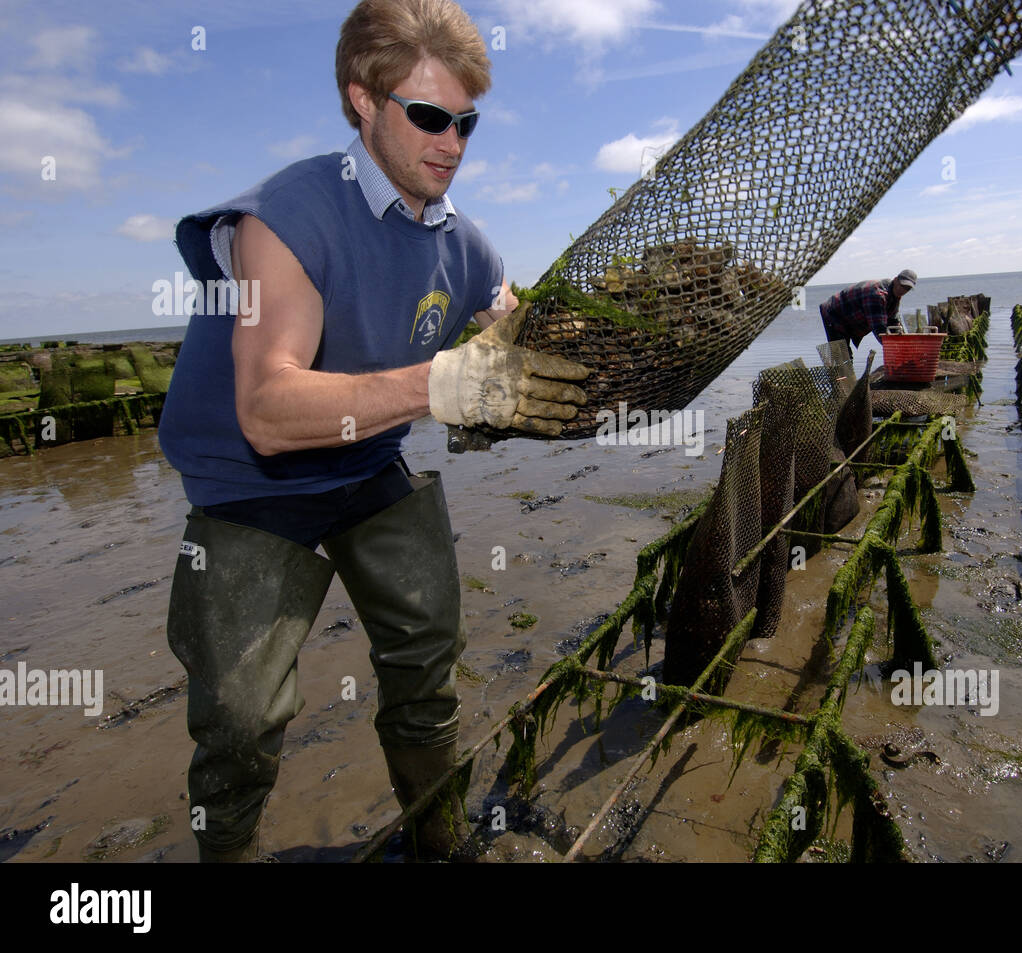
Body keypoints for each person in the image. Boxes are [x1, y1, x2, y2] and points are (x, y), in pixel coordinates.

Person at [157, 0, 589, 862]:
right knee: (241, 719)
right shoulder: (283, 219)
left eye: (467, 122)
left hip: (367, 463)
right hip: (253, 482)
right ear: (363, 100)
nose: (452, 143)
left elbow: (518, 333)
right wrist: (444, 381)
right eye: (428, 116)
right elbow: (268, 409)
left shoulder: (466, 246)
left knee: (429, 655)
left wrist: (577, 350)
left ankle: (438, 837)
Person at [819, 269, 918, 351]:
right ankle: (842, 373)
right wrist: (896, 350)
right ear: (896, 280)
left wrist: (904, 344)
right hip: (834, 313)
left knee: (846, 356)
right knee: (842, 356)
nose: (903, 290)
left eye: (907, 288)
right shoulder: (877, 294)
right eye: (902, 285)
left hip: (850, 318)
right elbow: (879, 328)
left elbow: (893, 321)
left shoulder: (895, 295)